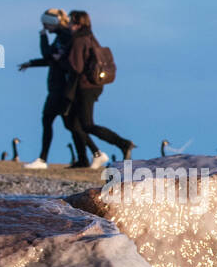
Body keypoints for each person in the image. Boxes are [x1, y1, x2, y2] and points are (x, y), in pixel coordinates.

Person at [16, 9, 99, 169]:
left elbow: (51, 56)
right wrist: (32, 63)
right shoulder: (65, 37)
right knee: (71, 124)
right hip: (60, 87)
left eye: (46, 24)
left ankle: (43, 159)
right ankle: (94, 154)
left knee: (53, 120)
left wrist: (42, 37)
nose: (45, 27)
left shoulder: (65, 37)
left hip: (61, 88)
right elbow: (52, 59)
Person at [63, 10, 135, 165]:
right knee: (74, 123)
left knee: (87, 124)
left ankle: (123, 143)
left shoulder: (79, 40)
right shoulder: (90, 37)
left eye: (70, 22)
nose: (68, 25)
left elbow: (77, 67)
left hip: (85, 87)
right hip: (94, 85)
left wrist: (61, 60)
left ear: (77, 24)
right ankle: (85, 158)